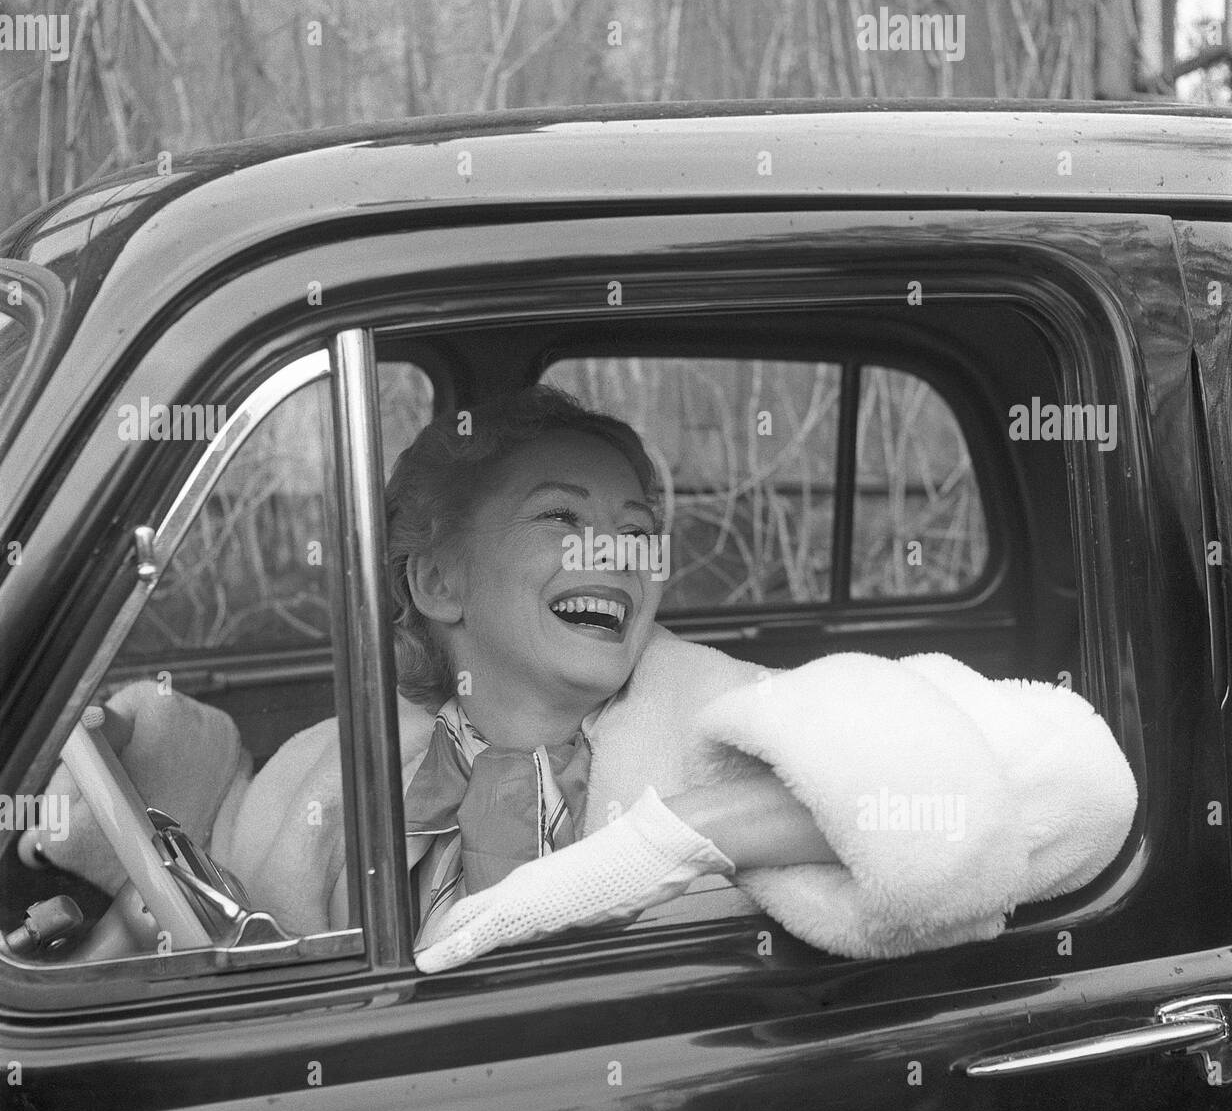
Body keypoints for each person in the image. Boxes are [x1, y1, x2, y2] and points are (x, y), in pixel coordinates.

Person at [23, 387, 1138, 972]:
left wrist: (675, 835)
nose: (617, 554)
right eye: (562, 518)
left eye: (638, 530)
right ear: (440, 581)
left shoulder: (725, 716)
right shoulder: (351, 753)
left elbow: (1077, 783)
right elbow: (237, 896)